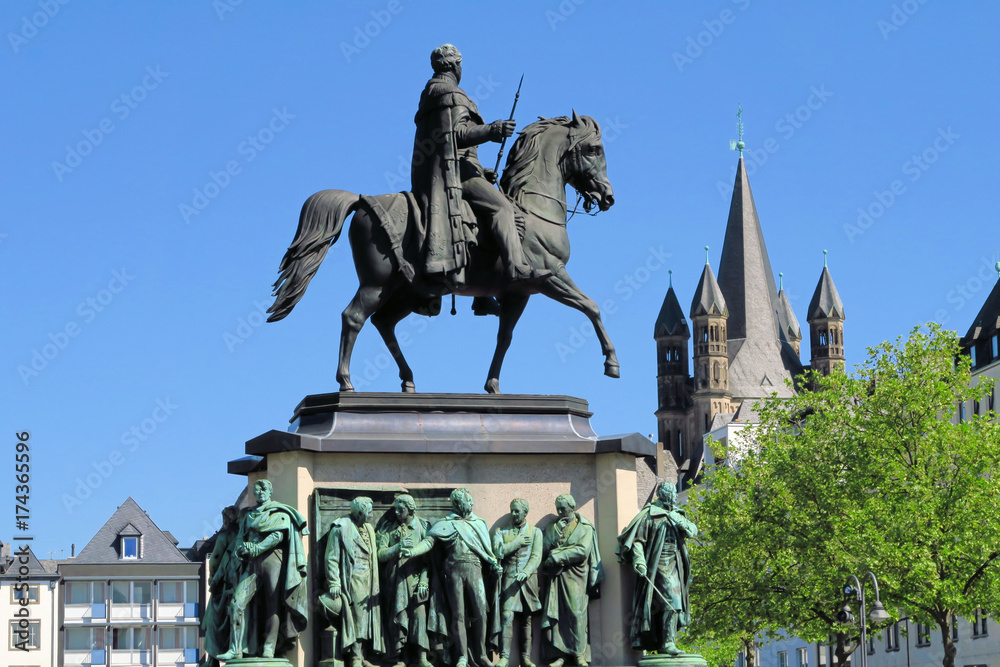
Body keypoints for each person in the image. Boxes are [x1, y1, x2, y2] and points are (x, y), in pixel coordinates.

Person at [411, 43, 548, 292]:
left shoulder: (433, 92)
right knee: (503, 208)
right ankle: (517, 268)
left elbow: (451, 145)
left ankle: (483, 294)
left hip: (455, 170)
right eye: (460, 64)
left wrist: (483, 172)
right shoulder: (450, 93)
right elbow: (457, 135)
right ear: (455, 65)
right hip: (454, 175)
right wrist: (493, 130)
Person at [404, 488, 501, 667]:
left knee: (481, 612)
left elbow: (488, 553)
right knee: (458, 614)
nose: (472, 503)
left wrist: (494, 564)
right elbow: (428, 543)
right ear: (458, 503)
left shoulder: (479, 523)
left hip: (475, 569)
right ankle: (462, 656)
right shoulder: (444, 524)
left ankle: (481, 654)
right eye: (468, 500)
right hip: (453, 570)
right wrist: (412, 551)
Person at [217, 480, 309, 660]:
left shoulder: (279, 513)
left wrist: (258, 547)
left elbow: (277, 535)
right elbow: (240, 537)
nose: (259, 492)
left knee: (272, 604)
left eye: (263, 489)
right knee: (237, 603)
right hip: (252, 563)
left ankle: (269, 647)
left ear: (270, 491)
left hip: (273, 561)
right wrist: (242, 547)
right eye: (256, 489)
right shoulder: (248, 515)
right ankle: (235, 649)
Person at [616, 481, 698, 657]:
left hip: (676, 563)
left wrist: (680, 522)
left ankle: (665, 641)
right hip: (658, 562)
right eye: (672, 493)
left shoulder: (676, 514)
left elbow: (693, 530)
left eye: (675, 493)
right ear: (664, 494)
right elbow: (638, 541)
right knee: (672, 600)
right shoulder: (650, 514)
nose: (674, 496)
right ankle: (668, 643)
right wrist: (639, 560)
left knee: (672, 602)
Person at [376, 494, 439, 667]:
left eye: (400, 509)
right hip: (395, 580)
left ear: (410, 509)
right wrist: (396, 548)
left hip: (417, 579)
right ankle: (400, 657)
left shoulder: (423, 526)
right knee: (399, 616)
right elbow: (380, 554)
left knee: (419, 615)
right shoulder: (388, 528)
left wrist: (424, 581)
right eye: (395, 508)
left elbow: (429, 560)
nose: (396, 512)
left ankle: (422, 657)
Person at [540, 494, 602, 667]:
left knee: (576, 614)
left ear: (572, 507)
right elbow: (543, 549)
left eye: (563, 508)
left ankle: (579, 654)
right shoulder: (552, 527)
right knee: (557, 614)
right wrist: (555, 533)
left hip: (577, 577)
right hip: (556, 578)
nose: (560, 512)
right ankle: (560, 655)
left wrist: (558, 555)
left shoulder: (585, 527)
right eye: (557, 508)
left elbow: (582, 551)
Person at [325, 496, 385, 667]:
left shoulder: (369, 528)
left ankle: (362, 654)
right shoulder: (340, 528)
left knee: (367, 619)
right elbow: (331, 558)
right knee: (358, 618)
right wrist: (334, 582)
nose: (371, 515)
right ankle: (355, 657)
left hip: (370, 579)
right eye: (369, 511)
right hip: (353, 578)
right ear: (359, 512)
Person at [492, 498, 543, 667]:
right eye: (512, 510)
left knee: (527, 618)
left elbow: (536, 556)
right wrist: (517, 543)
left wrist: (526, 572)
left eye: (517, 511)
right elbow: (498, 552)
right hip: (509, 579)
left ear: (525, 512)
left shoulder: (535, 532)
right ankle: (504, 657)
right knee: (507, 615)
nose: (513, 514)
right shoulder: (501, 531)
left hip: (529, 580)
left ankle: (525, 658)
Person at [203, 505, 240, 665]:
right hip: (239, 582)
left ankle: (212, 659)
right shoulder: (243, 536)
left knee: (214, 621)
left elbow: (215, 558)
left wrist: (212, 578)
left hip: (224, 584)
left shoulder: (225, 536)